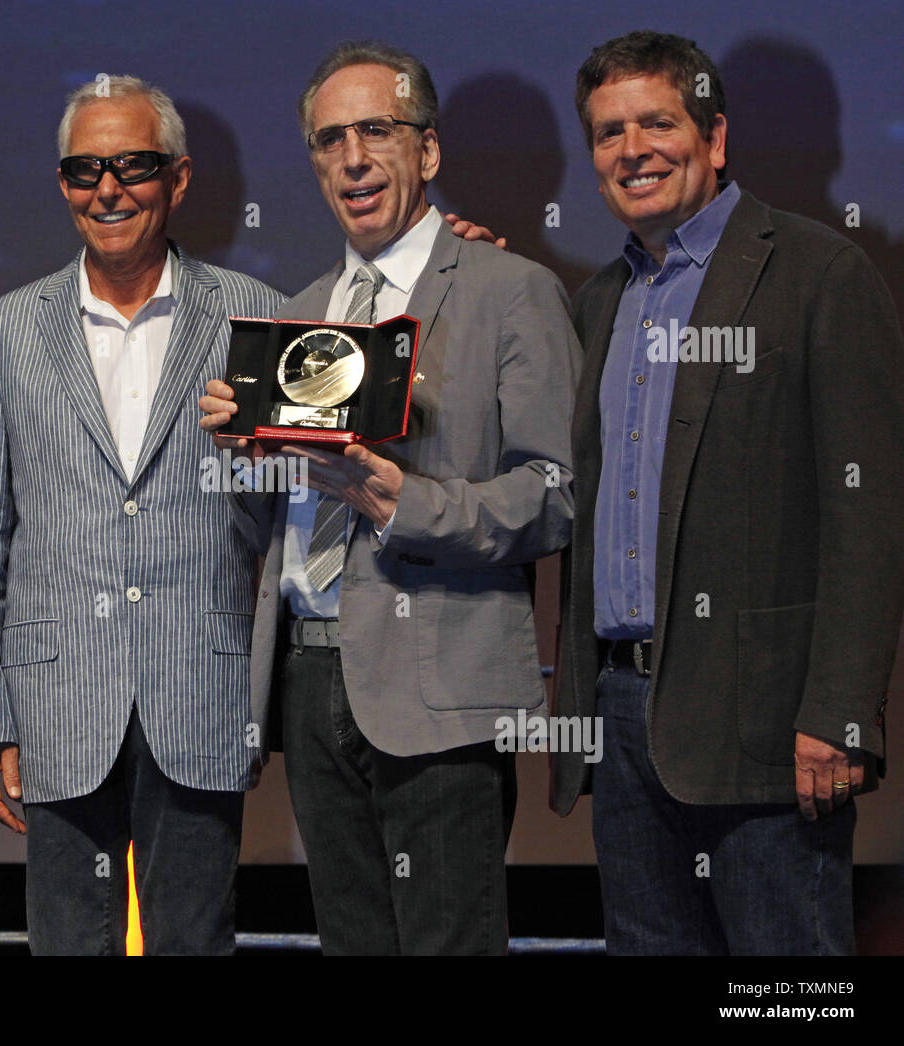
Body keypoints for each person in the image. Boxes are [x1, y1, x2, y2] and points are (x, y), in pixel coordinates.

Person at [201, 40, 580, 954]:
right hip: (309, 677)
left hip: (440, 684)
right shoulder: (303, 311)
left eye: (378, 130)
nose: (354, 158)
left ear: (429, 152)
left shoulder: (509, 290)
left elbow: (555, 497)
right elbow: (277, 521)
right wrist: (245, 454)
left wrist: (400, 502)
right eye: (331, 139)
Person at [553, 30, 904, 954]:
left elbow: (869, 518)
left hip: (770, 728)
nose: (633, 150)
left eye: (658, 123)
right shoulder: (600, 303)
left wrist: (838, 713)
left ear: (714, 138)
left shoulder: (820, 275)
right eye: (608, 132)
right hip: (626, 721)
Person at [0, 76, 285, 955]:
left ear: (177, 179)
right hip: (56, 696)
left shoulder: (259, 318)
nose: (107, 189)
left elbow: (295, 514)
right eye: (84, 170)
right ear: (63, 184)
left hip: (200, 690)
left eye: (132, 166)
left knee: (194, 942)